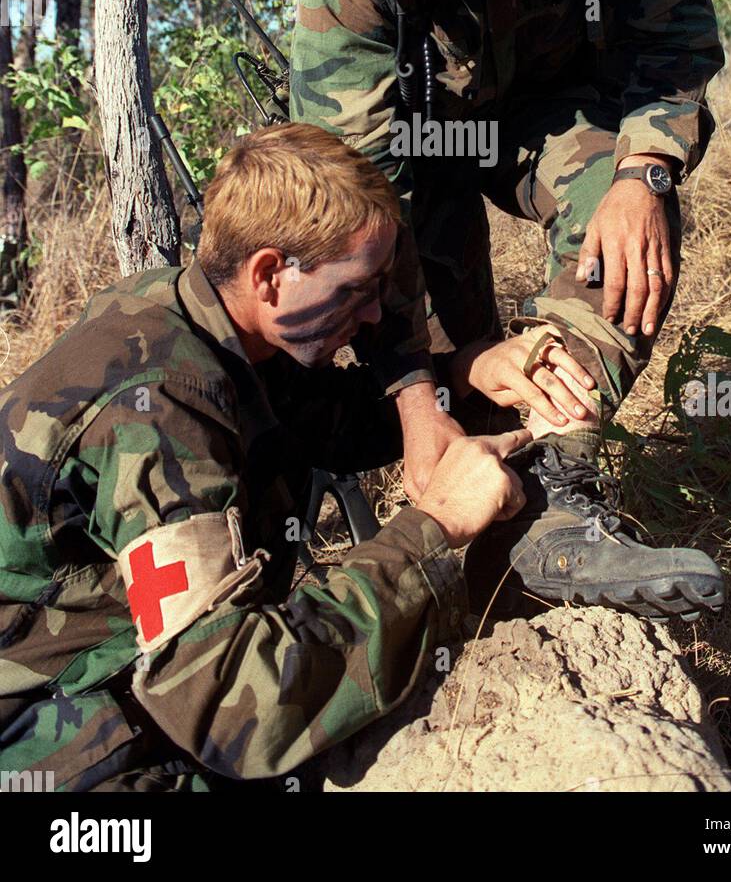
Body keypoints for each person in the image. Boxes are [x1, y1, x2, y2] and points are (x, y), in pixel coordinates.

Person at [289, 0, 727, 621]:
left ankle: (556, 486)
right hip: (419, 154)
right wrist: (413, 392)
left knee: (626, 219)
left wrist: (645, 171)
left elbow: (676, 44)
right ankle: (483, 513)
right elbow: (356, 195)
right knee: (440, 321)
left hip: (560, 122)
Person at [0, 122, 536, 792]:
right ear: (270, 274)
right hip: (37, 718)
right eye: (357, 288)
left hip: (105, 664)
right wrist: (434, 526)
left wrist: (461, 374)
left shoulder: (195, 315)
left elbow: (311, 420)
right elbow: (230, 708)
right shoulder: (162, 406)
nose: (374, 316)